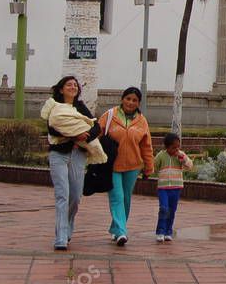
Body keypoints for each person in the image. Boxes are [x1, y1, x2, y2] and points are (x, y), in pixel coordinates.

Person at [41, 76, 100, 251]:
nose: (72, 87)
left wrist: (85, 136)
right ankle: (61, 237)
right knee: (62, 195)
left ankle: (67, 225)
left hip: (78, 154)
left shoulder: (80, 107)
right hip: (58, 153)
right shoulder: (54, 105)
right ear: (61, 89)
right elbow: (52, 127)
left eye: (75, 85)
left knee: (75, 196)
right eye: (69, 84)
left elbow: (96, 127)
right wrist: (74, 135)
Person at [103, 86, 154, 246]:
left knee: (125, 198)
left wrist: (148, 167)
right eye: (128, 98)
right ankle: (122, 232)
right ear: (122, 99)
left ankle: (116, 228)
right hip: (111, 164)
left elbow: (146, 146)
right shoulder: (110, 115)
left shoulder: (142, 121)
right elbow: (96, 134)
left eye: (135, 100)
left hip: (133, 165)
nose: (131, 102)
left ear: (138, 103)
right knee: (116, 197)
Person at [154, 133, 193, 243]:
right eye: (173, 148)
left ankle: (168, 231)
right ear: (167, 147)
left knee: (172, 210)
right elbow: (154, 166)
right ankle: (160, 231)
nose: (176, 149)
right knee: (164, 208)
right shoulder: (161, 155)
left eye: (178, 147)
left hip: (176, 188)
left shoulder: (180, 155)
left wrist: (183, 159)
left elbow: (190, 166)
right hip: (163, 188)